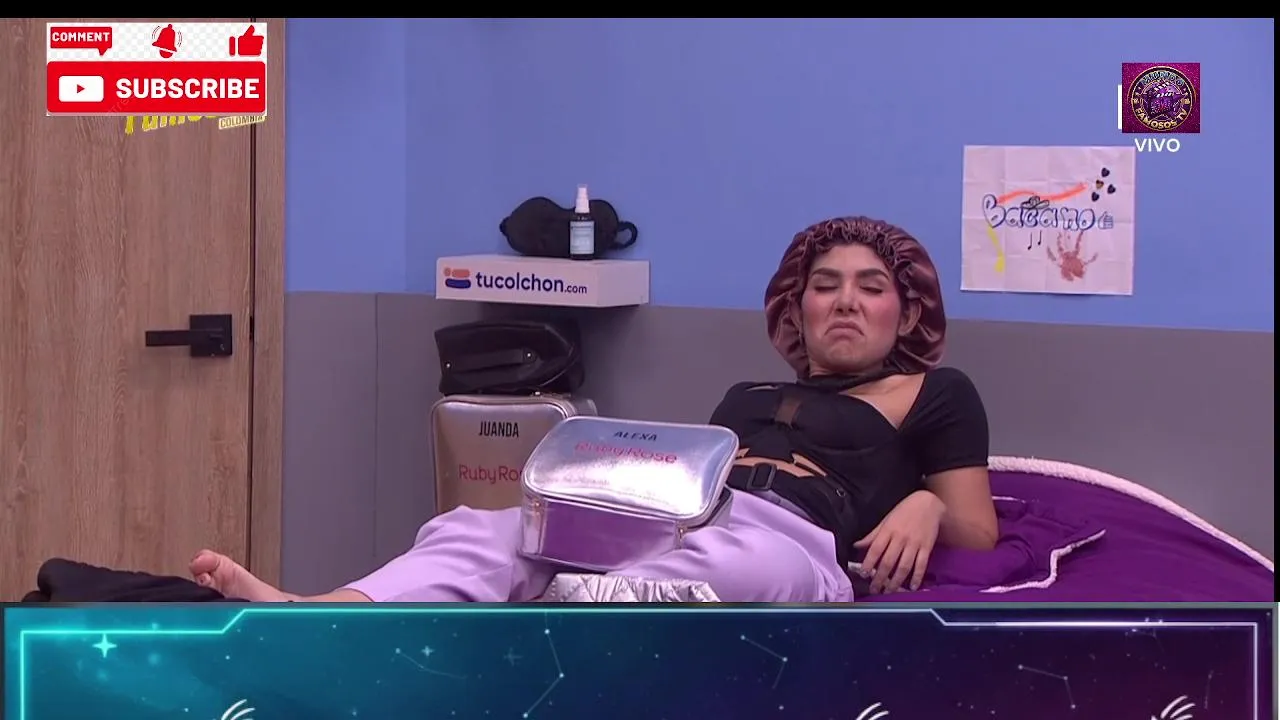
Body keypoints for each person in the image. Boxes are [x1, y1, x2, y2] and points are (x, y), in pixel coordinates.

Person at [191, 216, 998, 603]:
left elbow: (979, 530)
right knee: (486, 526)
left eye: (870, 287)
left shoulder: (938, 392)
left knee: (755, 569)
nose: (845, 302)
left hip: (796, 539)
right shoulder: (746, 397)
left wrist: (926, 503)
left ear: (906, 309)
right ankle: (320, 614)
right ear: (799, 306)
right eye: (826, 286)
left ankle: (574, 609)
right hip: (683, 516)